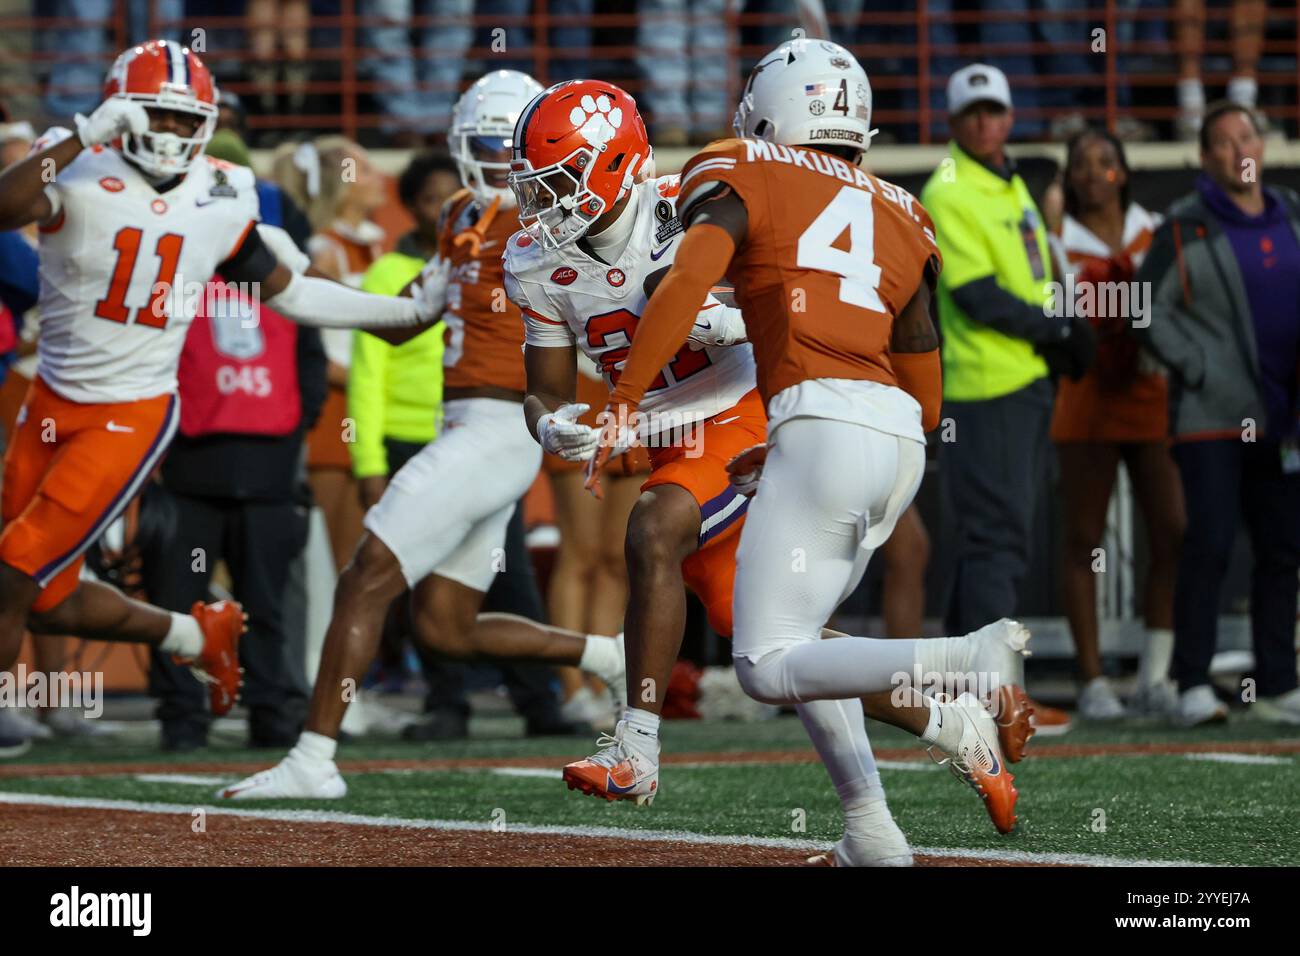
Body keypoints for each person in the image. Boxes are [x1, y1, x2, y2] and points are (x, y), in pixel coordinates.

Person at [591, 41, 1042, 865]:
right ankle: (872, 831)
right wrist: (797, 445)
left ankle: (968, 662)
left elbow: (690, 281)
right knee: (801, 643)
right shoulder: (907, 209)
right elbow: (924, 381)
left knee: (765, 664)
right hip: (896, 442)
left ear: (769, 112)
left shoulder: (741, 164)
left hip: (821, 419)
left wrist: (623, 400)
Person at [0, 39, 452, 716]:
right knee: (47, 602)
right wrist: (81, 133)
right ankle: (194, 631)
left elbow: (288, 291)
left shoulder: (222, 191)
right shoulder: (78, 160)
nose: (177, 130)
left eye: (190, 119)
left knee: (11, 571)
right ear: (122, 111)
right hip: (49, 401)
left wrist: (398, 313)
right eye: (160, 114)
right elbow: (5, 209)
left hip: (130, 411)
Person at [219, 70, 627, 802]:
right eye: (488, 149)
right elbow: (407, 314)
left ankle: (314, 758)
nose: (504, 168)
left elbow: (609, 317)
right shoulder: (462, 216)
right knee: (444, 626)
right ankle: (610, 656)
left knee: (366, 572)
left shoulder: (559, 223)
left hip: (503, 426)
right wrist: (276, 275)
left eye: (515, 151)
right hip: (467, 424)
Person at [921, 63, 1096, 735]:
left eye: (993, 111)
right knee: (997, 541)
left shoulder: (1010, 179)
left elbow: (1028, 274)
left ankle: (962, 695)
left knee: (983, 545)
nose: (984, 123)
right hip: (984, 384)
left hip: (1018, 380)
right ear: (954, 123)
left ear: (1009, 116)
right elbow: (975, 293)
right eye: (972, 115)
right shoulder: (950, 187)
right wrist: (1055, 329)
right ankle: (998, 700)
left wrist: (1055, 331)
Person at [1134, 101, 1300, 727]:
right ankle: (1191, 684)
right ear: (1205, 158)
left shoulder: (1293, 212)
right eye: (1224, 142)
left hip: (1284, 417)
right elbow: (1142, 308)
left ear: (1265, 142)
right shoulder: (1185, 225)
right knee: (1206, 544)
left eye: (1248, 135)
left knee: (1283, 548)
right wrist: (1196, 365)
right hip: (1211, 417)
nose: (1239, 150)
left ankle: (1279, 682)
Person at [1050, 128, 1185, 721]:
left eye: (1105, 160)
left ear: (1124, 172)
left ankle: (1156, 675)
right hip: (1086, 398)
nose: (1092, 170)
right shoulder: (1058, 241)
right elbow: (1056, 314)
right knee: (1083, 538)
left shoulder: (1155, 229)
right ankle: (1094, 679)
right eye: (1081, 162)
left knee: (1174, 529)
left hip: (1151, 394)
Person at [275, 136, 390, 572]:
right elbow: (312, 348)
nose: (377, 177)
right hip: (337, 414)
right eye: (363, 170)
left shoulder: (375, 246)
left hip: (371, 407)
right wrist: (368, 377)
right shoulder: (325, 251)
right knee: (336, 559)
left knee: (367, 554)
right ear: (339, 184)